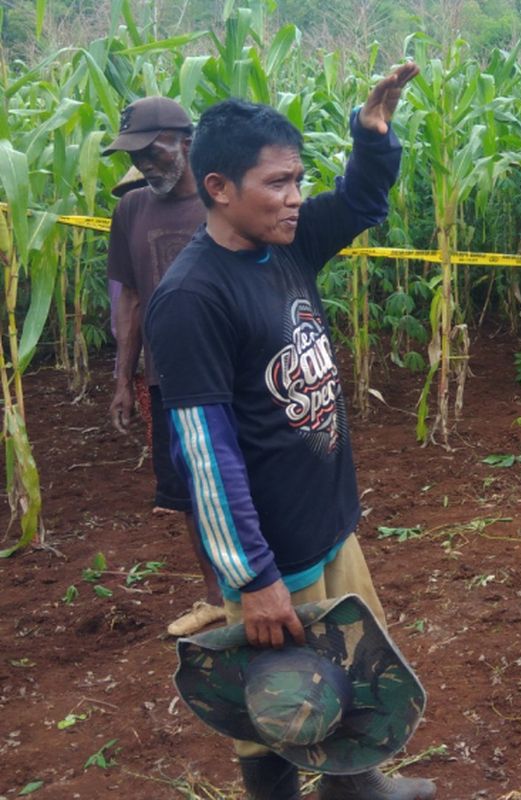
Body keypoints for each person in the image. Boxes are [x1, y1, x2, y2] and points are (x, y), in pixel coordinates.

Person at [144, 62, 433, 800]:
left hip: (326, 517)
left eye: (299, 179)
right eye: (277, 183)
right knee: (277, 689)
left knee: (345, 659)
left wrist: (372, 137)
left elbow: (363, 198)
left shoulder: (288, 244)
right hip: (270, 542)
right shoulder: (192, 298)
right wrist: (254, 578)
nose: (296, 198)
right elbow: (206, 456)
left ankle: (353, 784)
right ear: (218, 188)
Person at [103, 98, 226, 638]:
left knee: (258, 482)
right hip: (168, 380)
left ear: (185, 141)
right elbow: (129, 297)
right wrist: (123, 379)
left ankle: (284, 587)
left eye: (152, 151)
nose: (145, 164)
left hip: (237, 376)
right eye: (135, 154)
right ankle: (218, 598)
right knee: (192, 494)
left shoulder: (225, 199)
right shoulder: (131, 209)